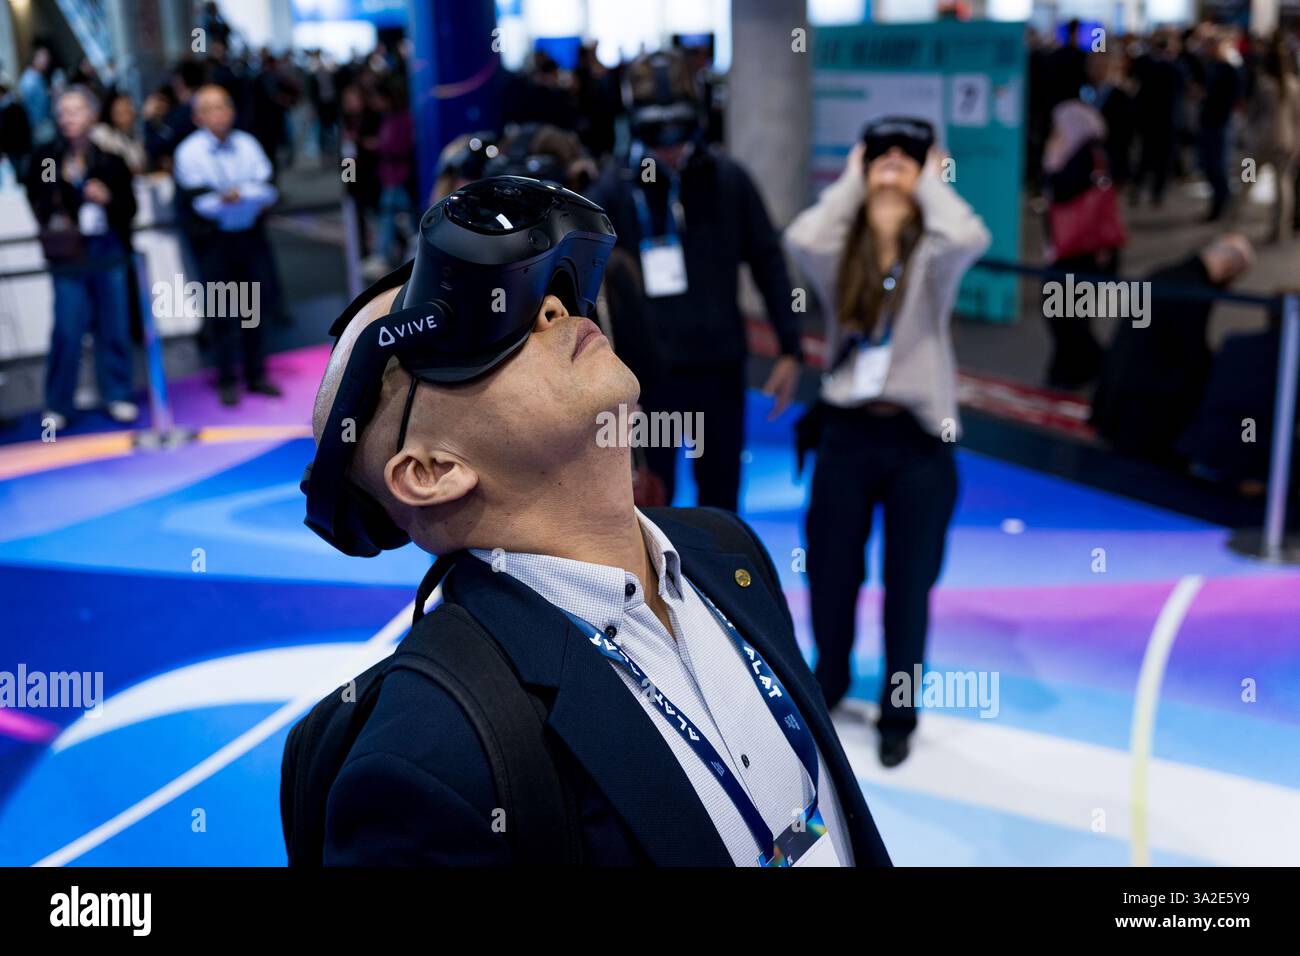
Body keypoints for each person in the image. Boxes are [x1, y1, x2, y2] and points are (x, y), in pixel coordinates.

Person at [288, 177, 892, 867]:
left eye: (547, 289)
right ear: (429, 470)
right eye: (472, 328)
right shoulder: (431, 753)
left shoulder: (727, 550)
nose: (550, 307)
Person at [783, 118, 989, 767]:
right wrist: (854, 176)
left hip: (917, 444)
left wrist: (929, 178)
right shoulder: (838, 252)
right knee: (832, 571)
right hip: (846, 435)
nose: (893, 164)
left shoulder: (933, 259)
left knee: (909, 584)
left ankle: (899, 711)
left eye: (908, 156)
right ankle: (833, 676)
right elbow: (801, 234)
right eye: (881, 156)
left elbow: (969, 232)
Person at [588, 50, 803, 511]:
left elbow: (768, 259)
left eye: (679, 127)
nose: (668, 142)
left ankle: (718, 583)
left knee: (721, 501)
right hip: (644, 378)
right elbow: (586, 289)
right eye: (655, 129)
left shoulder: (729, 180)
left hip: (718, 369)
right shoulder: (612, 191)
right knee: (646, 502)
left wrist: (790, 347)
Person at [24, 86, 139, 430]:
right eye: (62, 112)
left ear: (91, 115)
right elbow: (39, 201)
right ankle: (58, 403)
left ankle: (116, 393)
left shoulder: (110, 158)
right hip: (69, 252)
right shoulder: (48, 158)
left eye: (74, 111)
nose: (67, 118)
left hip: (107, 248)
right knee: (67, 328)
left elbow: (129, 208)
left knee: (113, 325)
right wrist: (64, 187)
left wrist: (106, 197)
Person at [1091, 234, 1253, 464]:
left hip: (1114, 396)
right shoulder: (1194, 291)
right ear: (1227, 268)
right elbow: (1192, 356)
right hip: (1145, 411)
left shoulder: (1163, 274)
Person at [173, 84, 281, 406]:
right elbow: (199, 201)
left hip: (249, 236)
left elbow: (267, 186)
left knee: (254, 309)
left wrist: (239, 197)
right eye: (211, 108)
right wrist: (237, 197)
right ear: (197, 116)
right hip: (214, 241)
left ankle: (256, 374)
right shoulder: (189, 152)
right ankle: (226, 378)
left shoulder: (248, 144)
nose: (219, 114)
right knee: (221, 311)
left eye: (223, 106)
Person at [1041, 99, 1123, 389]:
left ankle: (1084, 368)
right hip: (1080, 250)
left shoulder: (1083, 156)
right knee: (1068, 315)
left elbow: (1062, 191)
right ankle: (1081, 367)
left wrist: (1051, 164)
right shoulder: (1085, 152)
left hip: (1081, 251)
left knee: (1065, 315)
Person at [91, 92, 148, 174]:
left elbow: (141, 166)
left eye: (128, 108)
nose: (126, 115)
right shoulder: (101, 132)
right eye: (120, 111)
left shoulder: (135, 137)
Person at [20, 45, 55, 147]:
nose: (46, 61)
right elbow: (27, 104)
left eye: (47, 58)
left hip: (43, 123)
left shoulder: (38, 77)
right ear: (34, 58)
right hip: (38, 125)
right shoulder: (30, 79)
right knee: (46, 157)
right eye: (42, 58)